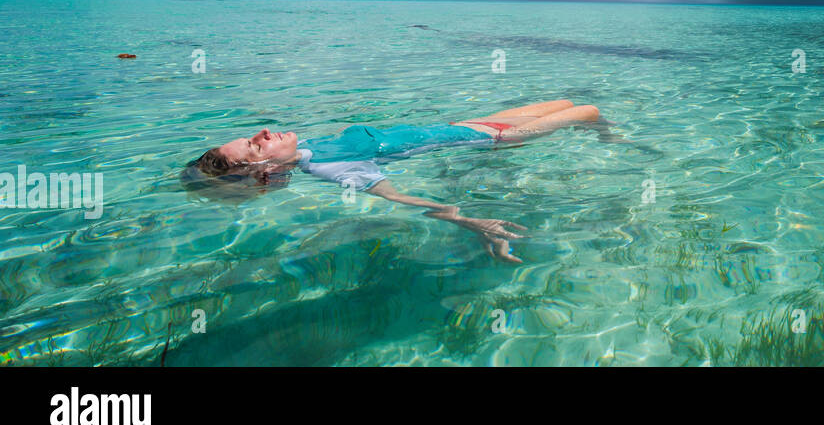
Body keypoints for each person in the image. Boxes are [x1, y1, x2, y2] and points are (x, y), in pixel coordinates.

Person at [182, 100, 611, 263]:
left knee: (564, 102)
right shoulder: (330, 170)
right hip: (493, 139)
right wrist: (472, 222)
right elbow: (396, 195)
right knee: (588, 112)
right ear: (265, 173)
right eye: (255, 147)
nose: (261, 133)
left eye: (250, 137)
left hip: (463, 124)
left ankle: (609, 132)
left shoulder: (304, 148)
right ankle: (617, 138)